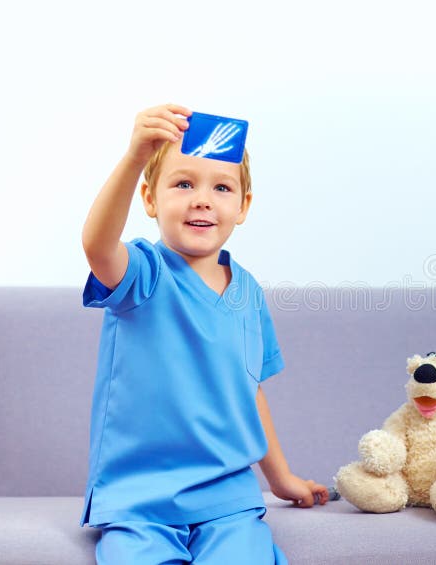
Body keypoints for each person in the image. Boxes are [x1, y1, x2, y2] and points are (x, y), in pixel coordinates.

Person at [80, 103, 328, 564]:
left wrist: (280, 478)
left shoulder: (248, 293)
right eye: (183, 184)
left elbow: (248, 390)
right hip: (140, 502)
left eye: (221, 187)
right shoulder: (143, 273)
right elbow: (97, 246)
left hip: (227, 499)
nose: (202, 199)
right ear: (150, 199)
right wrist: (135, 158)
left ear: (243, 205)